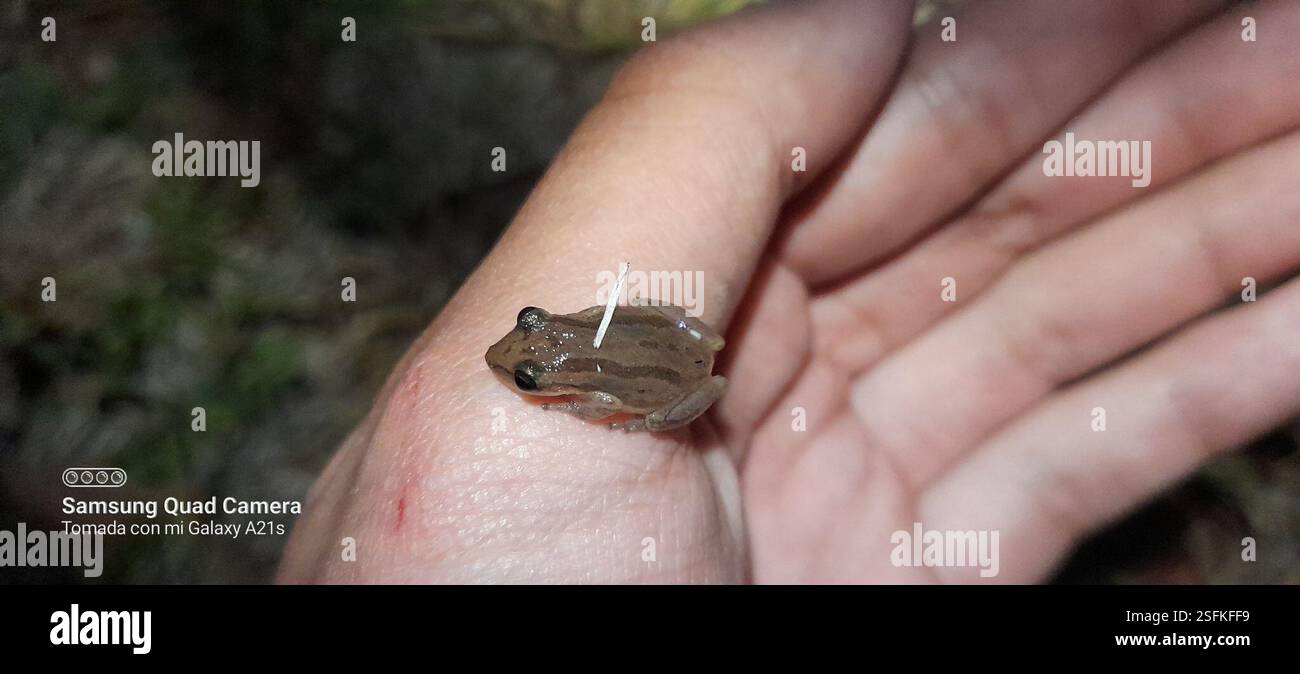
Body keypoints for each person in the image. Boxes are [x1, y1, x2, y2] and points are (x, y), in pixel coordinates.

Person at [278, 0, 1300, 583]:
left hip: (679, 370)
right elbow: (616, 359)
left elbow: (643, 350)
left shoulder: (584, 368)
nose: (525, 343)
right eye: (533, 353)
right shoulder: (576, 388)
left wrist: (621, 374)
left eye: (530, 340)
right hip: (663, 366)